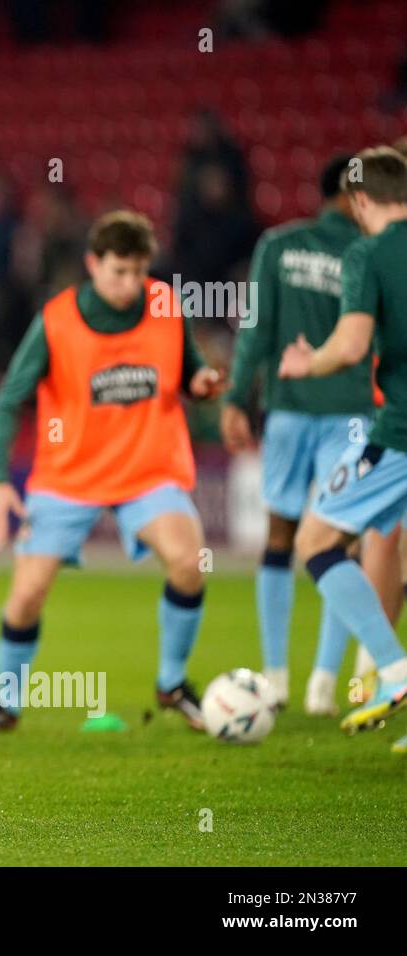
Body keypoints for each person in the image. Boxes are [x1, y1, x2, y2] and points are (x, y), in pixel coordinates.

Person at [0, 210, 226, 735]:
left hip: (148, 471)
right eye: (118, 272)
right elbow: (8, 402)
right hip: (69, 478)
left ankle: (172, 684)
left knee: (188, 561)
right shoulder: (57, 319)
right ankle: (7, 702)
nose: (131, 284)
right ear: (93, 264)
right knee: (25, 596)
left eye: (138, 271)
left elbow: (189, 365)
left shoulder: (166, 305)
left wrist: (200, 381)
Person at [220, 154, 375, 714]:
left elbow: (255, 328)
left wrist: (238, 397)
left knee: (280, 538)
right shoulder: (369, 253)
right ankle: (323, 685)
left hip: (287, 412)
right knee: (341, 544)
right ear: (351, 197)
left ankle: (275, 676)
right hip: (352, 414)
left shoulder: (279, 246)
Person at [281, 146, 407, 748]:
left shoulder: (368, 253)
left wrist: (310, 362)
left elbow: (353, 344)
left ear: (360, 201)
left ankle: (394, 669)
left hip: (399, 435)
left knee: (316, 539)